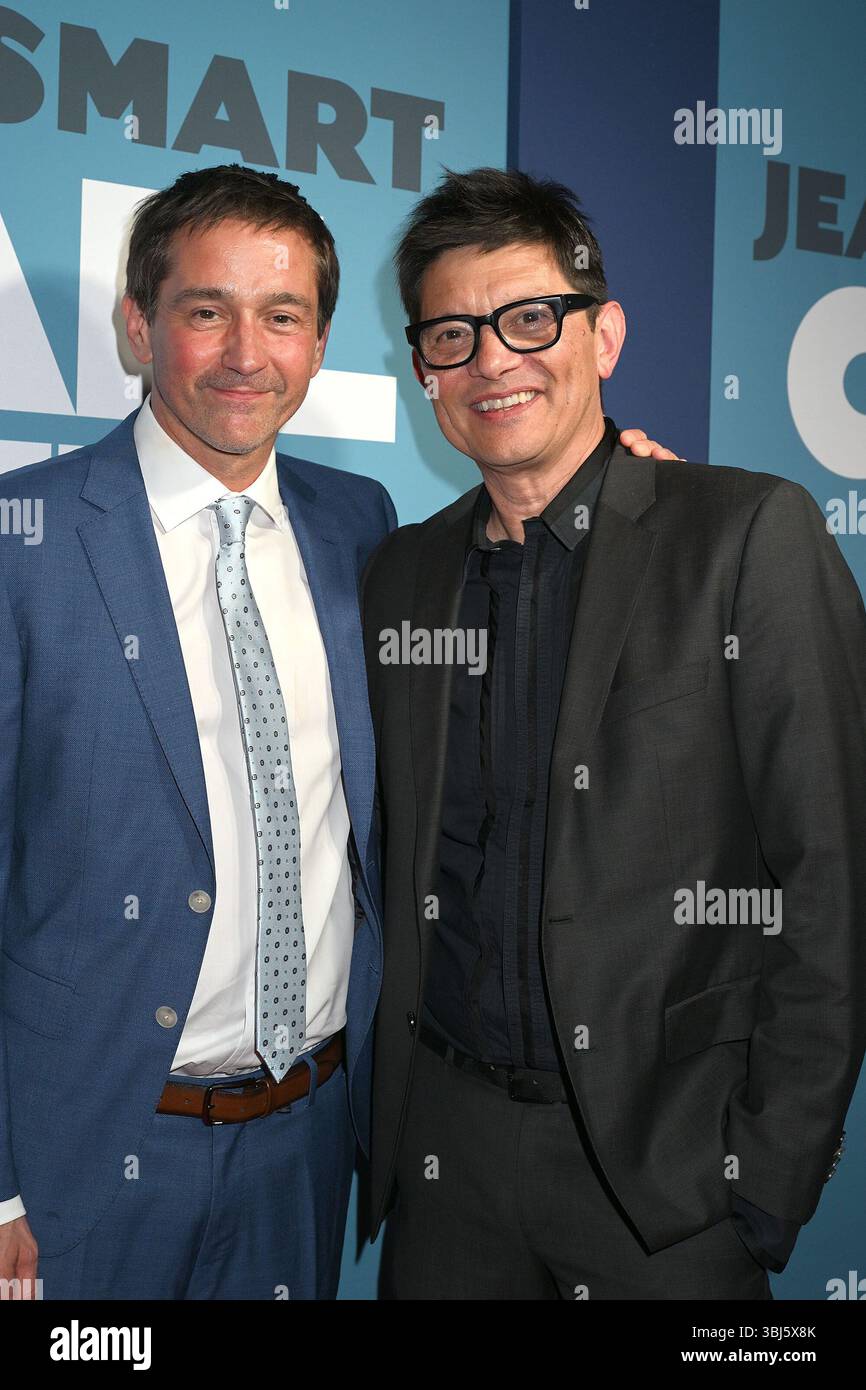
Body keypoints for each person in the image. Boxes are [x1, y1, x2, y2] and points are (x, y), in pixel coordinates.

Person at [0, 161, 667, 1301]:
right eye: (206, 311)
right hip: (77, 1159)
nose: (245, 354)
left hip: (306, 1149)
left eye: (282, 316)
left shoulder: (360, 532)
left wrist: (622, 501)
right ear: (137, 324)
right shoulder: (28, 541)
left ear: (317, 345)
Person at [361, 166, 866, 1300]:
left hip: (669, 1178)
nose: (492, 357)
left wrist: (768, 1172)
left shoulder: (743, 536)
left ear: (605, 336)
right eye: (453, 333)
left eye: (529, 318)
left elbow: (833, 874)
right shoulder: (398, 576)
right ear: (424, 373)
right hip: (444, 1165)